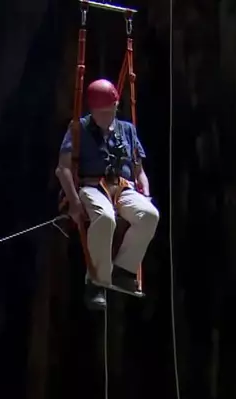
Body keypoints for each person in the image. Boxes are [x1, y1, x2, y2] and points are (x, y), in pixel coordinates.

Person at [56, 78, 161, 310]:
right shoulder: (78, 128)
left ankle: (124, 271)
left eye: (110, 111)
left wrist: (145, 189)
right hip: (92, 186)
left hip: (124, 186)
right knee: (104, 218)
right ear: (92, 110)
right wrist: (73, 201)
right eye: (101, 112)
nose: (106, 116)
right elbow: (62, 168)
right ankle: (97, 282)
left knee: (149, 215)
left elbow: (139, 170)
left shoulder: (127, 130)